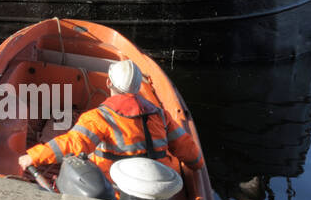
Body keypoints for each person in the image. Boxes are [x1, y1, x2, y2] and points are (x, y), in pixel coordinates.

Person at [16, 59, 205, 191]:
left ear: (108, 82)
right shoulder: (161, 116)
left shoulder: (99, 118)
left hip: (115, 190)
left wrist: (32, 157)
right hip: (156, 189)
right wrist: (197, 165)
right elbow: (187, 148)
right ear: (139, 87)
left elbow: (71, 144)